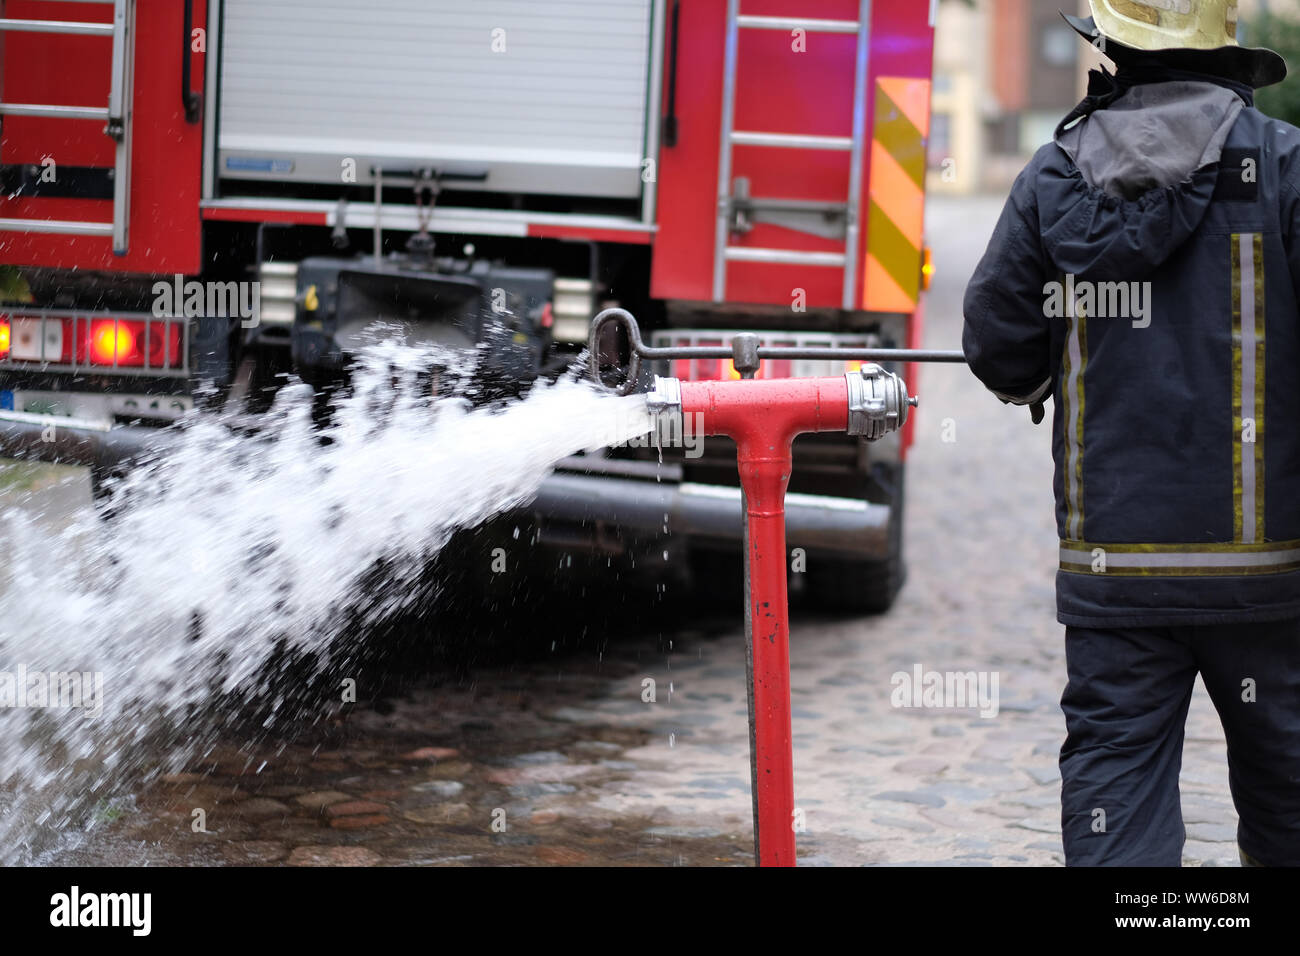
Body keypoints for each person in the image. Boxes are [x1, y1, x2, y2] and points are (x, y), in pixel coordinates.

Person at [962, 0, 1299, 866]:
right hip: (1271, 583)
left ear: (1113, 52)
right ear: (1228, 56)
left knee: (1119, 806)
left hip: (1117, 579)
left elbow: (998, 346)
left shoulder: (1055, 175)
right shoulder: (1286, 167)